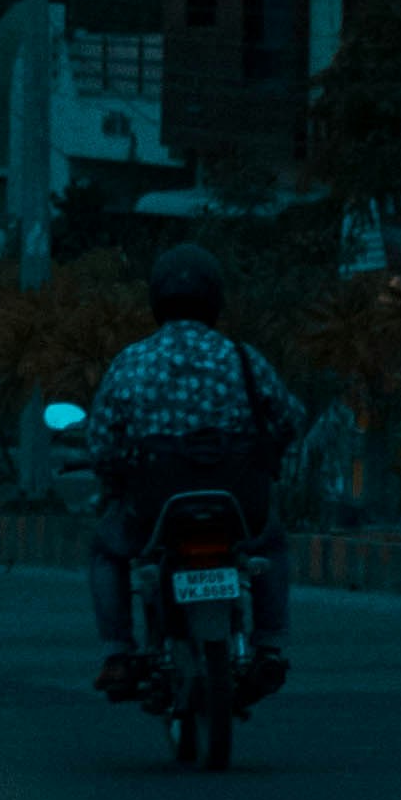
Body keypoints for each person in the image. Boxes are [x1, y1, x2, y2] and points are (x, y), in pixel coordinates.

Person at [80, 244, 302, 703]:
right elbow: (288, 419)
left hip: (152, 508)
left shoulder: (132, 361)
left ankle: (119, 653)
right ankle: (271, 646)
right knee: (272, 544)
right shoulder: (242, 358)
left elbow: (101, 442)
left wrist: (113, 477)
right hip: (239, 505)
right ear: (215, 299)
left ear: (156, 299)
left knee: (105, 550)